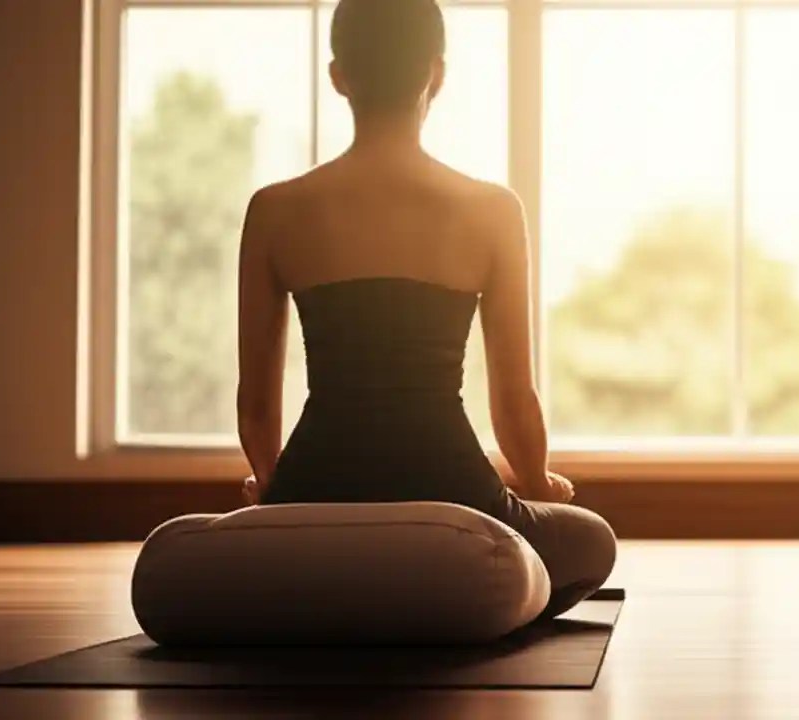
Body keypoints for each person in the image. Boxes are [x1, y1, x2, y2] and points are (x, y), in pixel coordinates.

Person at [234, 0, 615, 619]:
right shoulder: (491, 210)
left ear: (339, 76)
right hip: (453, 496)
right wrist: (541, 486)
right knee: (589, 538)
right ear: (436, 73)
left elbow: (255, 404)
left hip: (317, 491)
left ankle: (331, 588)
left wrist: (276, 493)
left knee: (214, 554)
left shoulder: (275, 209)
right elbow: (515, 400)